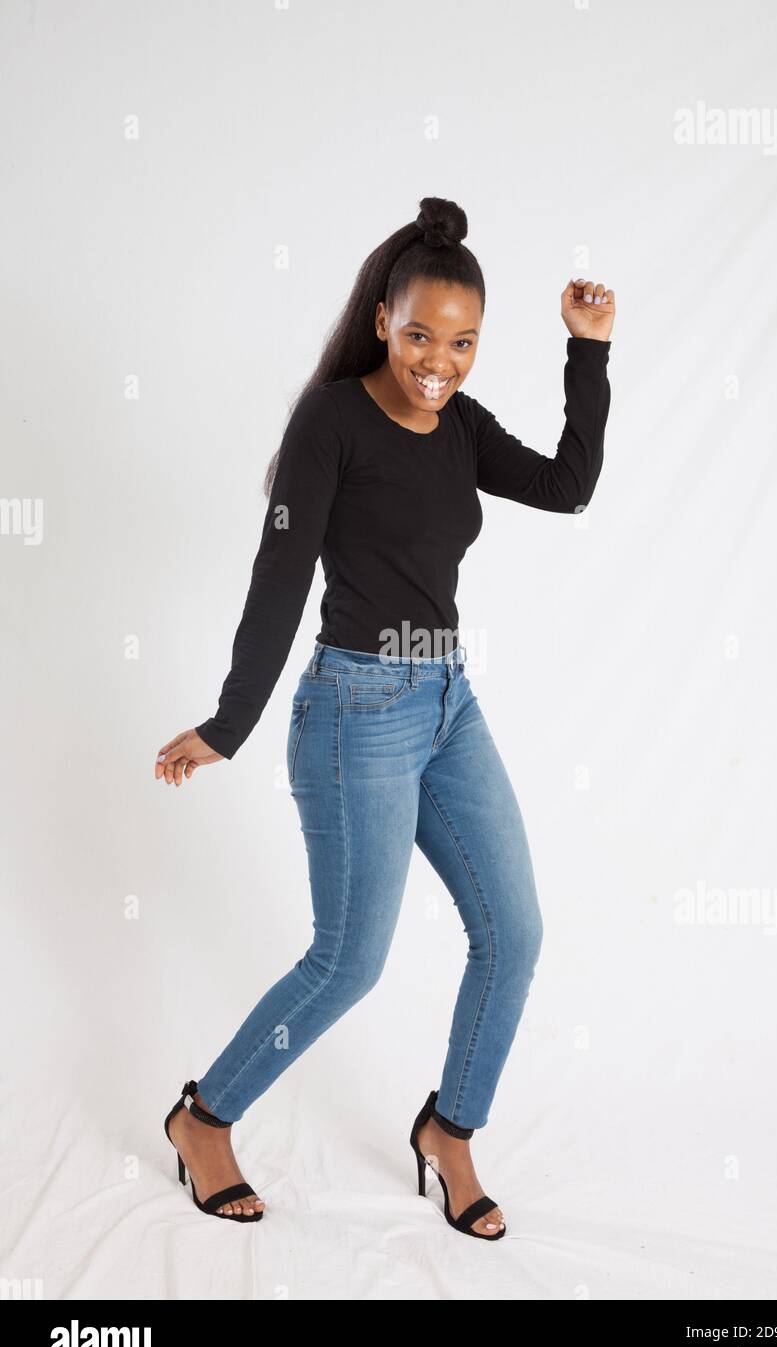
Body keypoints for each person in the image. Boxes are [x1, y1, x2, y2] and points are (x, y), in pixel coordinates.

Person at [157, 196, 614, 1239]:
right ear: (381, 320)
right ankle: (204, 1115)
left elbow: (569, 486)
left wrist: (584, 355)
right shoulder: (331, 422)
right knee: (348, 960)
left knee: (513, 930)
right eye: (419, 336)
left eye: (460, 343)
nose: (437, 361)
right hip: (353, 710)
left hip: (448, 701)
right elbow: (278, 582)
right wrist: (228, 722)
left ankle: (449, 1131)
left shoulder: (459, 425)